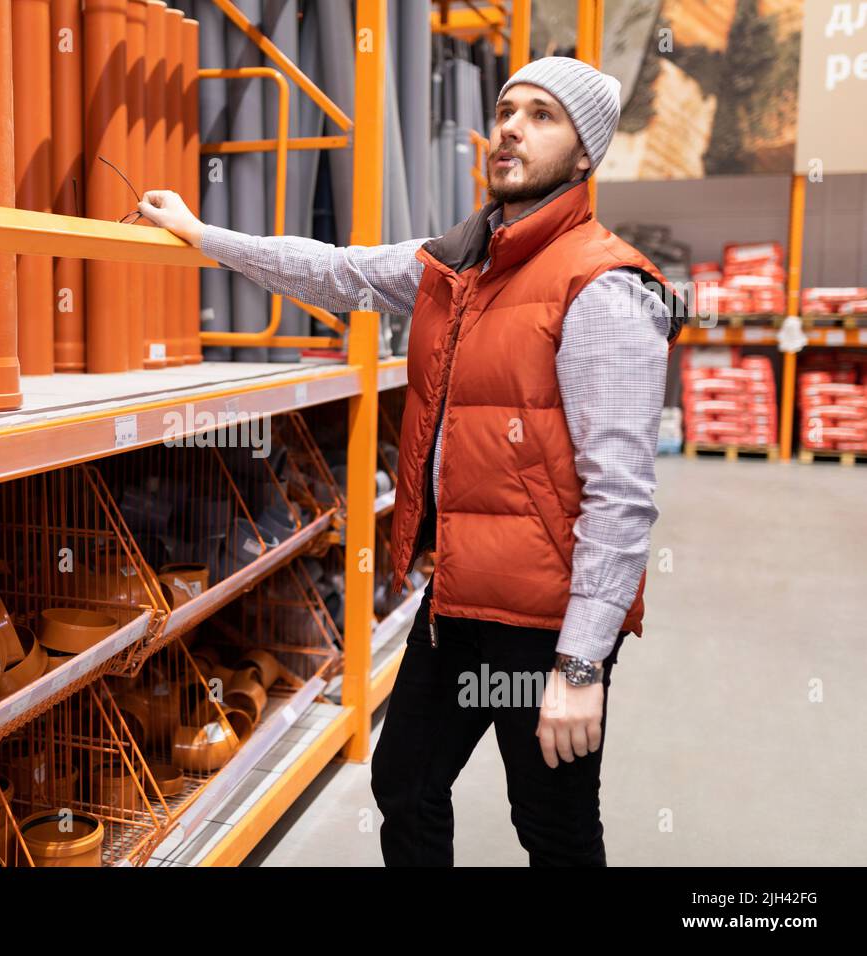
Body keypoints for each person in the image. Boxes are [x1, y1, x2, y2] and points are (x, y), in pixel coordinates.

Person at [137, 56, 684, 866]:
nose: (511, 127)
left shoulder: (601, 287)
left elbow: (622, 499)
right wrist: (201, 233)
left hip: (543, 625)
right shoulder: (458, 264)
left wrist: (580, 663)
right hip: (456, 599)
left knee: (553, 828)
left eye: (542, 116)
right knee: (405, 786)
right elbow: (336, 270)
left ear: (583, 156)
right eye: (507, 109)